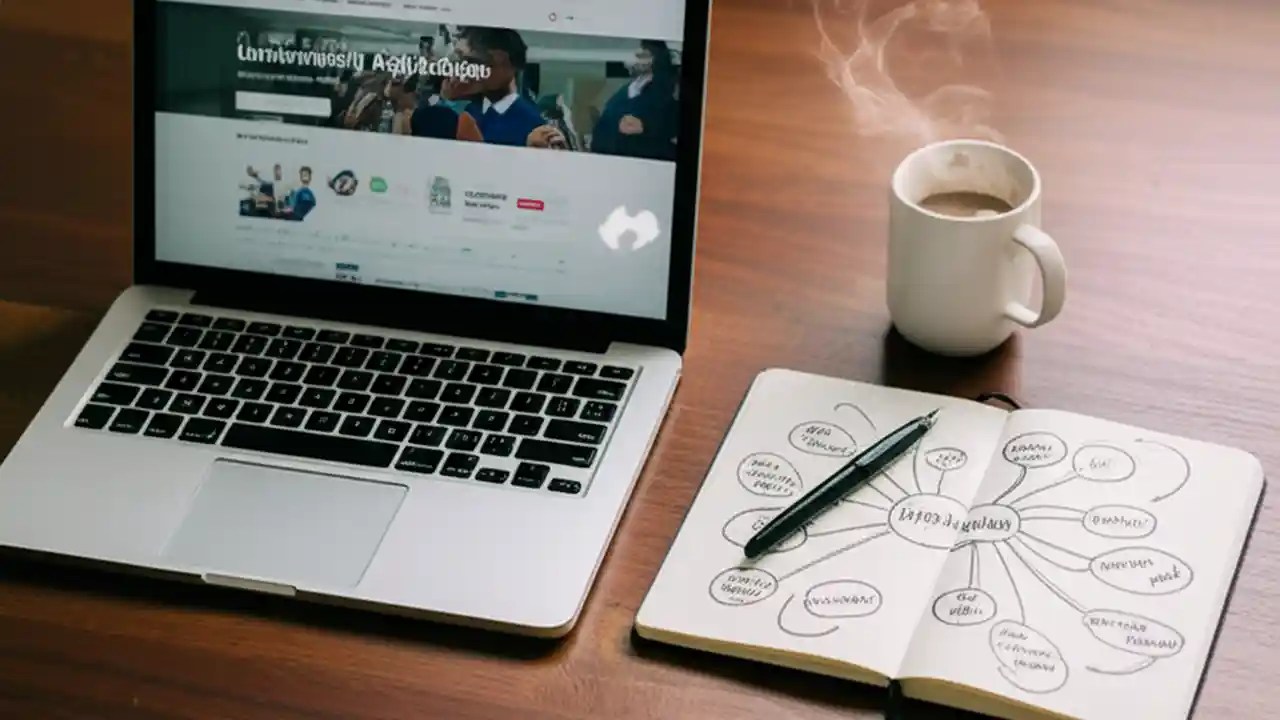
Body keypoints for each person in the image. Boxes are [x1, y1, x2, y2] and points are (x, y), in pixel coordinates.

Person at [444, 27, 544, 147]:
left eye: (476, 62)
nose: (469, 71)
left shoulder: (532, 124)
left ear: (505, 63)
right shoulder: (469, 111)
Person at [590, 40, 679, 161]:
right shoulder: (627, 89)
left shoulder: (663, 89)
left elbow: (671, 122)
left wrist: (645, 126)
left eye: (642, 55)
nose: (635, 60)